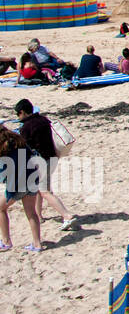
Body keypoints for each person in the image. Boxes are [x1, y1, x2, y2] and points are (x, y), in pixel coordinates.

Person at [13, 99, 75, 232]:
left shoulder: (26, 127)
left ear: (22, 112)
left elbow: (24, 148)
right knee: (41, 188)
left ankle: (67, 215)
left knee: (45, 191)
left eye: (18, 114)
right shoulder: (43, 120)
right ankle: (39, 215)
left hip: (41, 161)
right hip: (53, 158)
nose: (18, 117)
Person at [0, 127, 43, 253]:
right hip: (33, 178)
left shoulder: (4, 148)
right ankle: (37, 244)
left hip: (19, 184)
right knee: (31, 213)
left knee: (1, 208)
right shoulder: (19, 141)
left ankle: (6, 242)